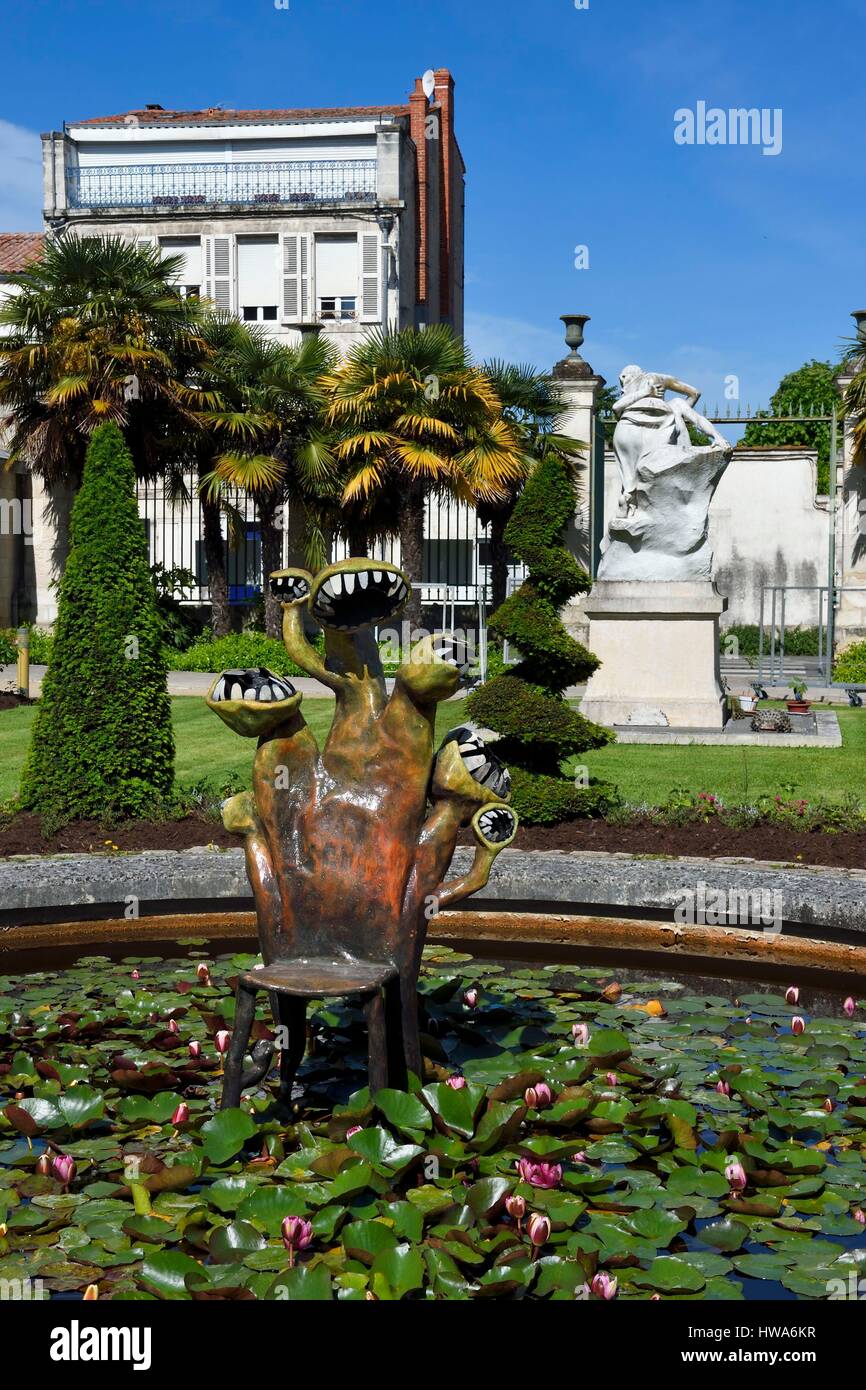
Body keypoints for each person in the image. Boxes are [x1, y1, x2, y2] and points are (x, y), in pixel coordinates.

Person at [612, 366, 729, 511]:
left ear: (624, 376)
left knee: (630, 479)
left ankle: (628, 498)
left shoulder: (628, 392)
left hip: (626, 430)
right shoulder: (660, 381)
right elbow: (695, 394)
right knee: (650, 473)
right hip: (657, 429)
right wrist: (716, 436)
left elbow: (616, 409)